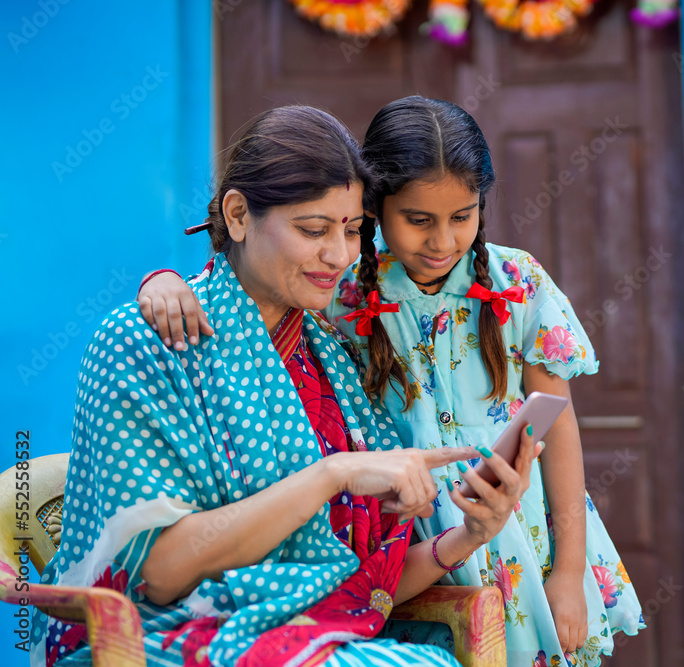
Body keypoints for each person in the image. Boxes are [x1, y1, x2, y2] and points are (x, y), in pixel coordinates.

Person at [138, 97, 644, 667]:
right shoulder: (342, 291)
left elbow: (558, 425)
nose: (444, 242)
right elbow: (248, 294)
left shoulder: (518, 283)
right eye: (419, 220)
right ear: (377, 209)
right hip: (413, 535)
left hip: (523, 533)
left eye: (463, 217)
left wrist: (570, 568)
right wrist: (161, 280)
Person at [32, 105, 541, 667]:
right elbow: (159, 571)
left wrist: (469, 533)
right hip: (155, 640)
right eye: (313, 229)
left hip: (308, 639)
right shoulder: (141, 344)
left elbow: (356, 590)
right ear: (238, 215)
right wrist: (333, 474)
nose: (339, 255)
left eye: (352, 230)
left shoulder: (332, 364)